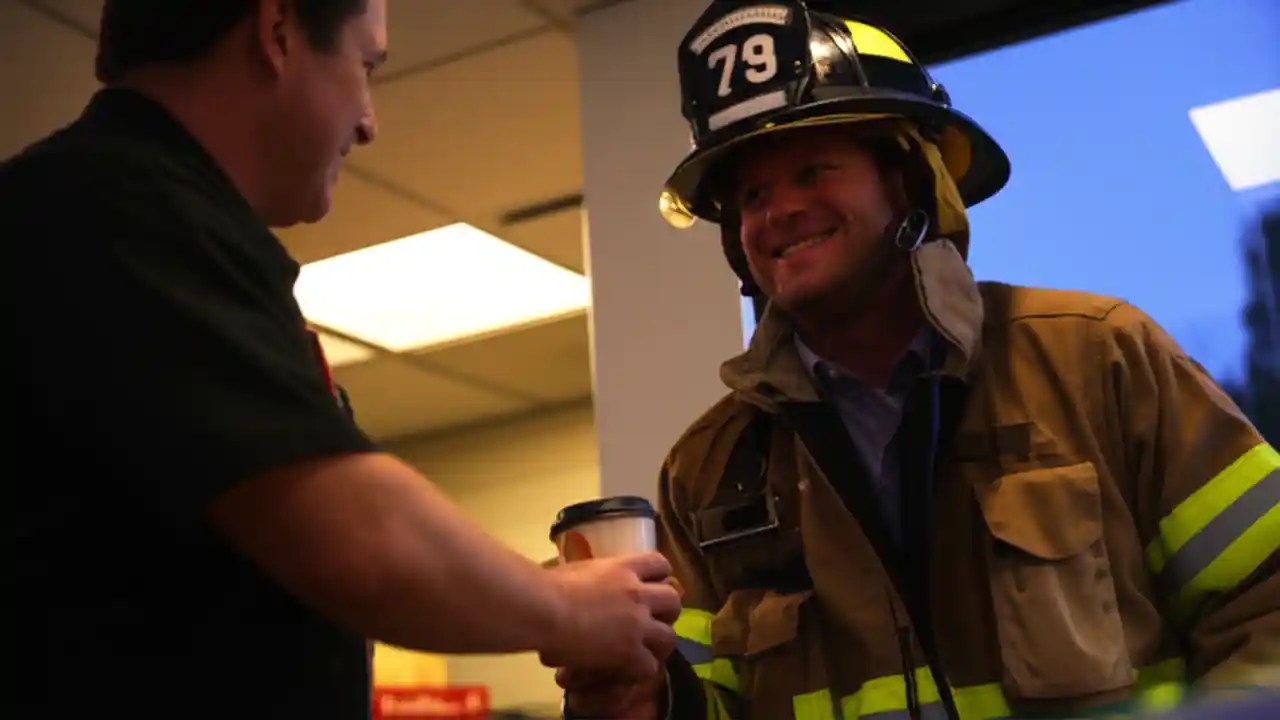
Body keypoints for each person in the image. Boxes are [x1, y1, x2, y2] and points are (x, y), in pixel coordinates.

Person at [555, 1, 1280, 718]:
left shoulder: (1098, 358)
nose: (778, 211)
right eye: (751, 193)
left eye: (812, 170)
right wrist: (645, 699)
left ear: (908, 182)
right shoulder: (706, 473)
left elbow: (1267, 602)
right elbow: (710, 705)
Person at [7, 1, 679, 716]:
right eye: (365, 66)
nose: (368, 120)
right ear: (276, 32)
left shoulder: (156, 231)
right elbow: (358, 537)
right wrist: (565, 608)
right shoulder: (108, 207)